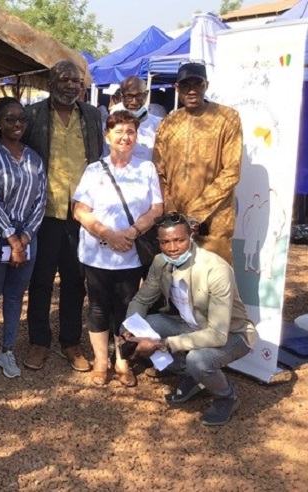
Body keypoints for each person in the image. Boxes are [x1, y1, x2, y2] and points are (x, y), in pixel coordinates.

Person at [125, 212, 256, 426]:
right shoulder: (160, 263)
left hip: (233, 334)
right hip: (191, 325)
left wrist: (163, 344)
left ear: (191, 237)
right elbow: (141, 299)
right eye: (165, 242)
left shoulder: (216, 269)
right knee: (145, 325)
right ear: (159, 242)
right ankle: (193, 378)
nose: (172, 248)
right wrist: (130, 328)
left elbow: (217, 334)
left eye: (179, 240)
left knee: (198, 360)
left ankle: (227, 397)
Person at [22, 60, 103, 372]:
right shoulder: (33, 115)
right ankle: (38, 341)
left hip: (81, 216)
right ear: (51, 82)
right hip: (44, 213)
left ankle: (70, 341)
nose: (71, 85)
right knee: (41, 280)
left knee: (75, 280)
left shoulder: (93, 115)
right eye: (65, 79)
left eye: (76, 80)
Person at [72, 110, 163, 387]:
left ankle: (123, 361)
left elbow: (157, 208)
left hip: (130, 254)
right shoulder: (93, 170)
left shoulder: (146, 169)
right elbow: (80, 211)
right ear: (107, 135)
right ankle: (101, 361)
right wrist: (109, 234)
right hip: (97, 254)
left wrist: (132, 232)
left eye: (131, 132)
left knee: (126, 309)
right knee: (98, 307)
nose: (125, 137)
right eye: (119, 131)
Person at [0, 97, 46, 379]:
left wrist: (25, 238)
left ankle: (7, 350)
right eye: (10, 119)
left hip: (29, 235)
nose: (17, 124)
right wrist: (12, 240)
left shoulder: (34, 157)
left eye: (22, 120)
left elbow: (41, 200)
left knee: (16, 296)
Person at [153, 62, 243, 264]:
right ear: (177, 88)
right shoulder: (168, 122)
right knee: (179, 286)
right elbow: (158, 171)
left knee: (215, 283)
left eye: (197, 84)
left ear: (206, 85)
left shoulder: (227, 118)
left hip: (214, 221)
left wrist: (195, 215)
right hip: (176, 221)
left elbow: (232, 171)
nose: (192, 90)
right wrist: (174, 213)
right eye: (185, 85)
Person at [115, 76, 161, 162]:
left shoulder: (159, 125)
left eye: (139, 96)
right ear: (121, 96)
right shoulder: (112, 125)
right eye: (129, 97)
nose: (134, 102)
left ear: (146, 95)